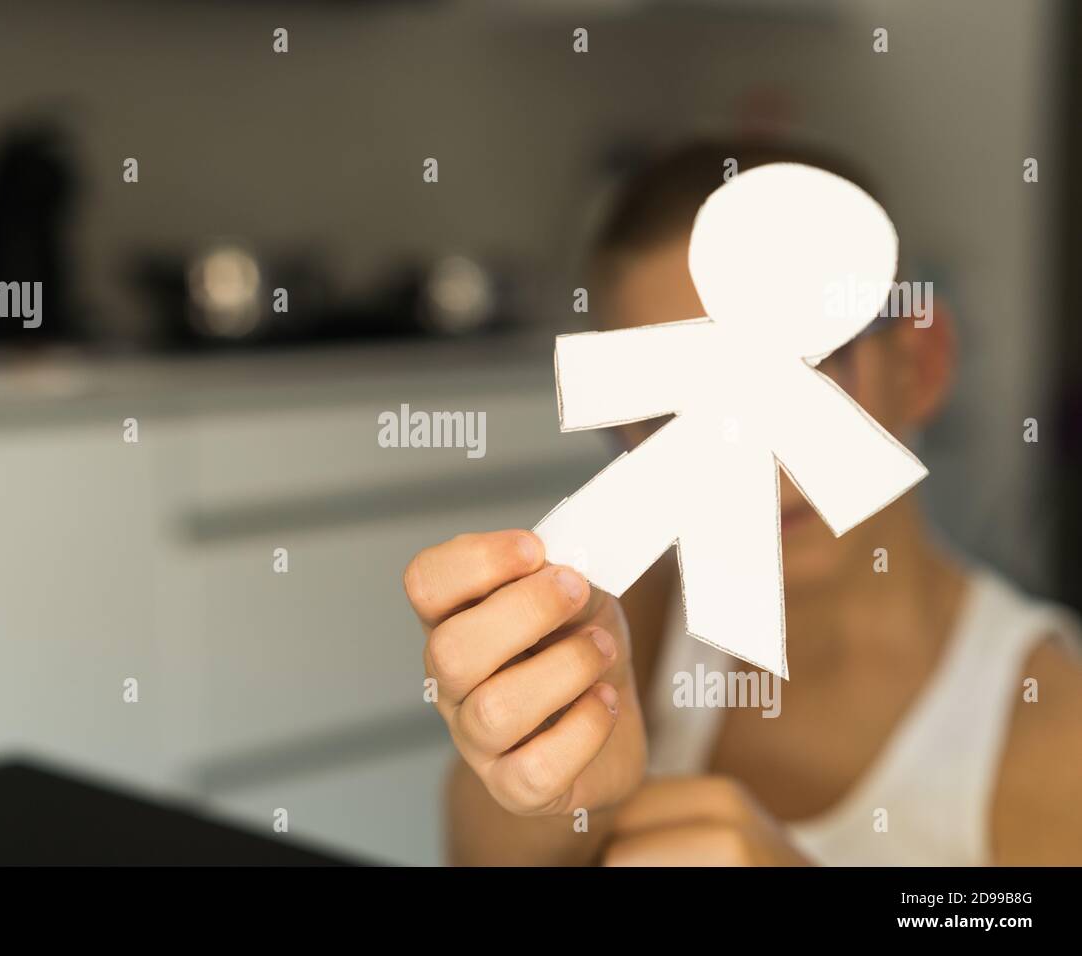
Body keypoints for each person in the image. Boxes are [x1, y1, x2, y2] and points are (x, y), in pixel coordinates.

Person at [402, 140, 1082, 866]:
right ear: (623, 438)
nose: (760, 464)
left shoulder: (1052, 723)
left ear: (920, 365)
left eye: (803, 373)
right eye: (677, 409)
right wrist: (559, 803)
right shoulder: (611, 640)